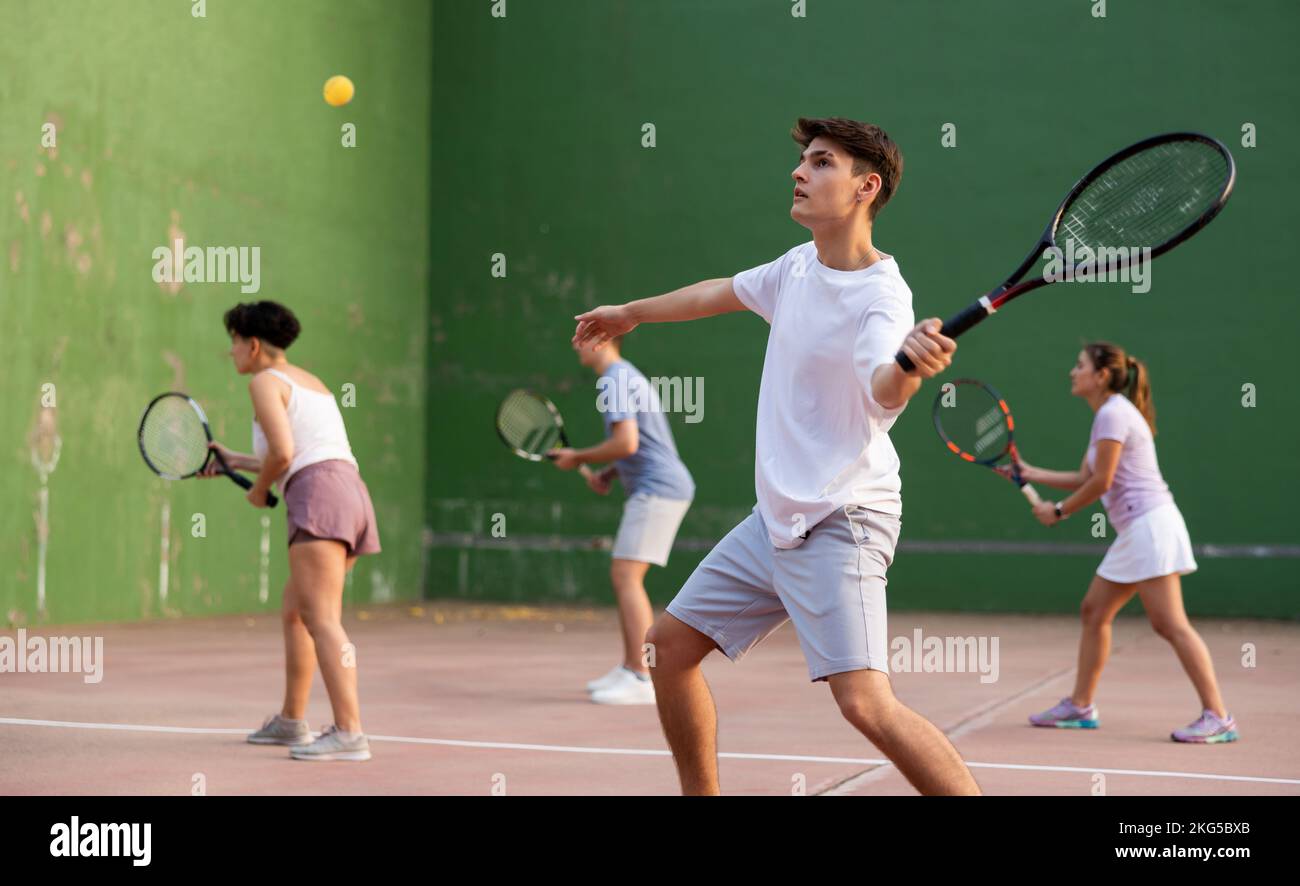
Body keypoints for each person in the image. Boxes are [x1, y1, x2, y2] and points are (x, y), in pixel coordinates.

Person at [572, 117, 979, 794]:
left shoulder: (881, 295)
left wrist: (908, 365)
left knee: (865, 704)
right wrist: (633, 312)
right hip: (777, 520)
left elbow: (882, 386)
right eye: (803, 161)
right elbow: (718, 292)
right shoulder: (797, 267)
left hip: (843, 518)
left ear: (864, 188)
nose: (799, 172)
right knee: (668, 648)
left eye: (821, 163)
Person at [1006, 343, 1237, 743]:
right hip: (1138, 530)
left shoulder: (1113, 414)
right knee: (1095, 611)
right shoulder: (1106, 416)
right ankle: (1080, 706)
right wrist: (1032, 472)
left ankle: (1218, 716)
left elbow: (1102, 482)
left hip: (1150, 527)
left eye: (1079, 366)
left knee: (1170, 625)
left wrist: (1058, 512)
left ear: (1100, 376)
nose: (1072, 372)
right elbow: (1085, 476)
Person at [203, 300, 382, 761]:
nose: (232, 353)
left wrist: (258, 489)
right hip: (348, 492)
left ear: (254, 344)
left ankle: (349, 732)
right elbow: (298, 449)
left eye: (235, 344)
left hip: (319, 494)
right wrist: (233, 461)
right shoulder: (310, 382)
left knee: (322, 619)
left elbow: (283, 456)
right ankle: (291, 721)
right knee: (298, 613)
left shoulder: (264, 382)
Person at [551, 335, 695, 705]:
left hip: (658, 488)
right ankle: (631, 666)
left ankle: (641, 675)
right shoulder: (623, 376)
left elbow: (628, 442)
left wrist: (578, 456)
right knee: (626, 575)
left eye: (582, 336)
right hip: (659, 485)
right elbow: (643, 443)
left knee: (626, 575)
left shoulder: (614, 379)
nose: (574, 343)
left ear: (601, 341)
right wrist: (610, 475)